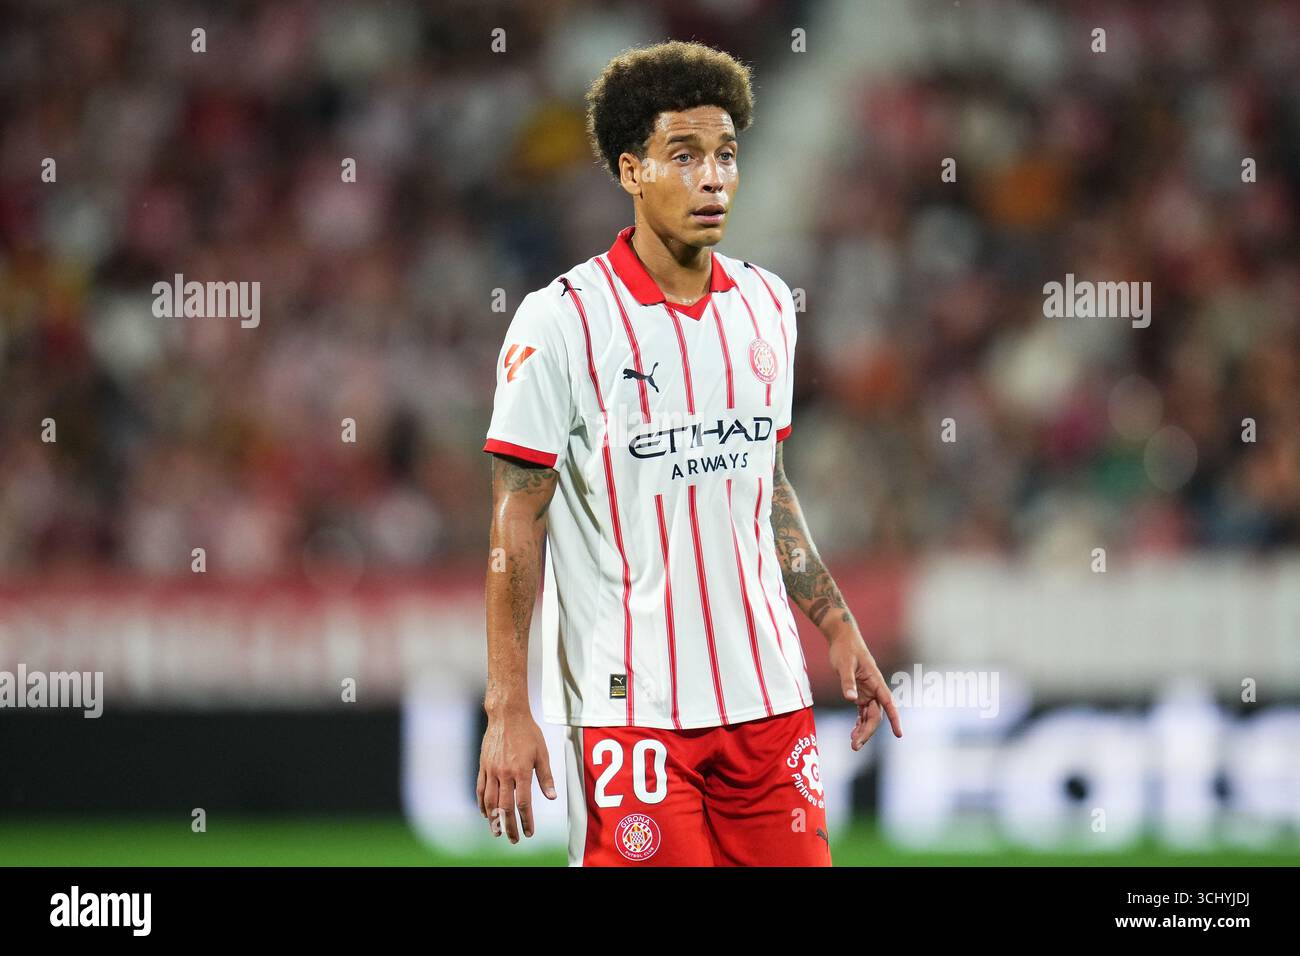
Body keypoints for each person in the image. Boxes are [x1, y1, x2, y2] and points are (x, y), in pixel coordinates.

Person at [477, 39, 901, 866]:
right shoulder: (560, 321)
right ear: (632, 171)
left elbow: (764, 484)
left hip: (770, 704)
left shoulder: (771, 306)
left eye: (727, 155)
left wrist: (837, 625)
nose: (714, 178)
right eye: (685, 156)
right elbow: (514, 518)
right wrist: (508, 704)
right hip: (631, 713)